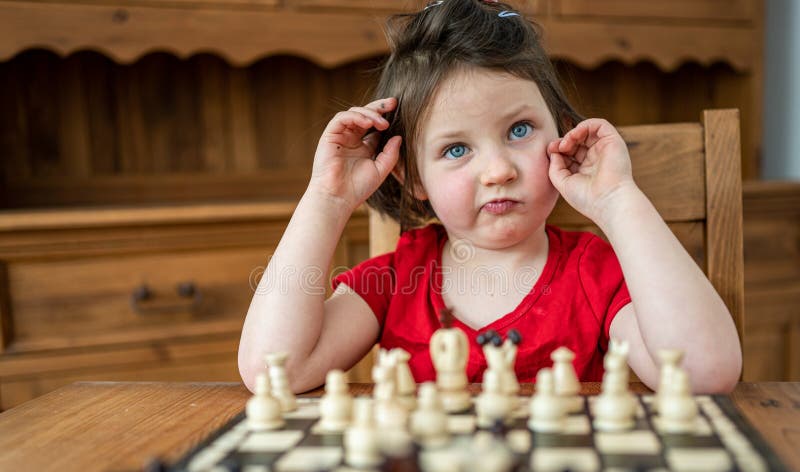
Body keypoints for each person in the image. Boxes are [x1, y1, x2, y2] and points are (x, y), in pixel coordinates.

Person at [238, 0, 741, 394]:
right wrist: (326, 200)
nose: (498, 170)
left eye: (519, 129)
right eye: (456, 148)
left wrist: (618, 199)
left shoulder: (597, 276)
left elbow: (706, 371)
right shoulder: (396, 281)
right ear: (413, 178)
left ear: (562, 134)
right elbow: (271, 370)